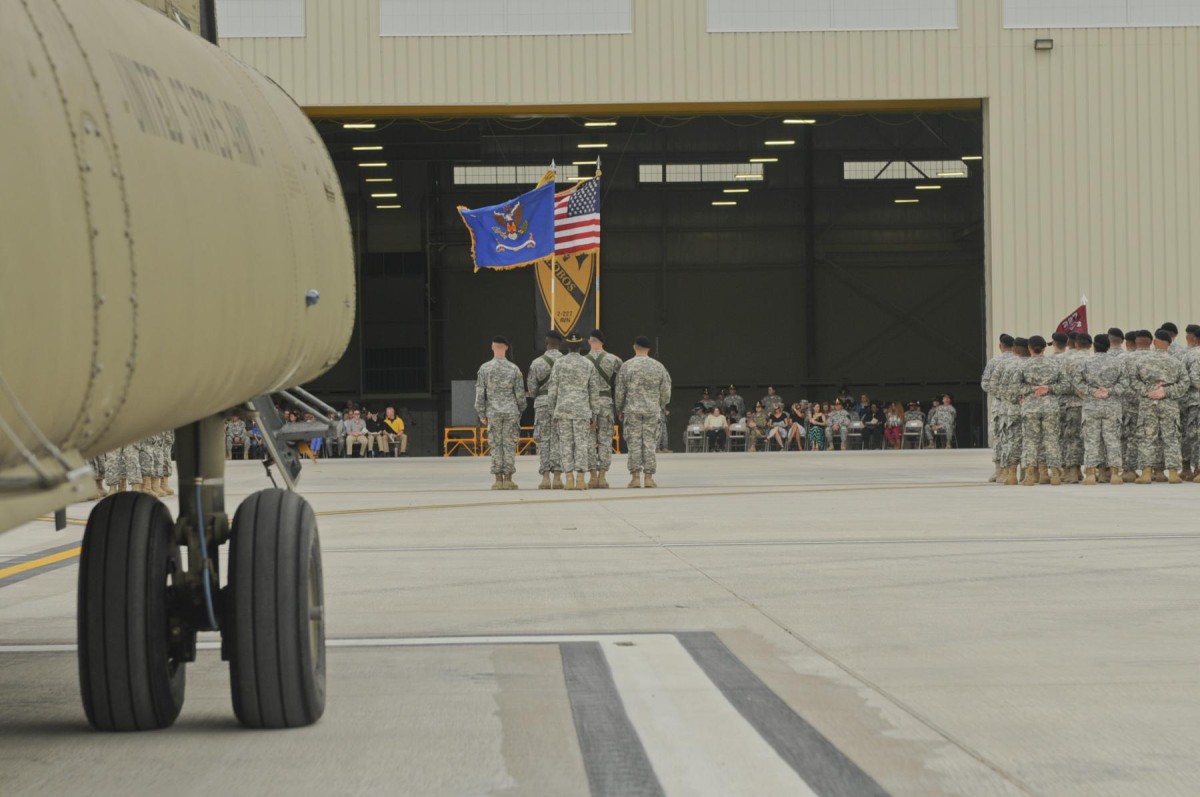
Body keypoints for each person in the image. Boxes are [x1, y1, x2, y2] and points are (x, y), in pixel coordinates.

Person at [1129, 329, 1188, 483]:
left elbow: (1133, 381)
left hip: (1148, 404)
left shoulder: (1142, 361)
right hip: (1169, 404)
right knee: (1171, 437)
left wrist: (1148, 392)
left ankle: (1147, 473)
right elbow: (1185, 383)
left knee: (1148, 437)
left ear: (1155, 342)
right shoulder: (1176, 362)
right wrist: (1166, 391)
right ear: (1169, 344)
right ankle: (1174, 473)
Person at [614, 336, 672, 487]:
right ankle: (648, 477)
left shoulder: (627, 366)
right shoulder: (658, 367)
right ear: (649, 349)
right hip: (652, 410)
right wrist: (661, 405)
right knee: (650, 443)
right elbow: (666, 391)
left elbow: (620, 391)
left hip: (632, 411)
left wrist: (619, 409)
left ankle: (634, 478)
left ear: (634, 347)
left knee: (634, 443)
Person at [547, 335, 601, 490]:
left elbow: (552, 390)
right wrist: (594, 414)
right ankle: (581, 479)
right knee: (582, 444)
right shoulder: (588, 364)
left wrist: (553, 411)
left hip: (563, 410)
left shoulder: (559, 363)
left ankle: (569, 478)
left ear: (567, 347)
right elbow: (593, 391)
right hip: (582, 411)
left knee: (565, 445)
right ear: (580, 347)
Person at [474, 335, 527, 490]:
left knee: (496, 445)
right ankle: (509, 479)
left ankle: (498, 480)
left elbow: (480, 393)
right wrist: (520, 410)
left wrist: (481, 413)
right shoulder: (514, 369)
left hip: (493, 412)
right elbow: (520, 395)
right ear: (506, 348)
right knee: (509, 444)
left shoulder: (484, 368)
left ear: (492, 347)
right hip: (511, 412)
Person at [1016, 335, 1067, 485]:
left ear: (1029, 348)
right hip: (1050, 406)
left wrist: (1032, 389)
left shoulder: (1022, 365)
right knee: (1051, 440)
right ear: (1045, 348)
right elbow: (1065, 385)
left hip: (1031, 406)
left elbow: (1015, 387)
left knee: (1030, 440)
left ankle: (1030, 474)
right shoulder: (1054, 364)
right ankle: (1055, 474)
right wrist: (1048, 388)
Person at [1076, 334, 1125, 484]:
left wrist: (1093, 391)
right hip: (1112, 405)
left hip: (1092, 405)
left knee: (1091, 440)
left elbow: (1077, 382)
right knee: (1112, 439)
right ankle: (1115, 474)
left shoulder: (1085, 362)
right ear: (1109, 346)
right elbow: (1125, 383)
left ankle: (1090, 474)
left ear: (1094, 346)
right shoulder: (1118, 362)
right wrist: (1109, 391)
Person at [585, 329, 623, 488]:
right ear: (603, 342)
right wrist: (620, 408)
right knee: (606, 441)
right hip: (606, 403)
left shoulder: (582, 360)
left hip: (587, 403)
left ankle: (592, 476)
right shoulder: (614, 359)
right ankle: (602, 476)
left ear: (589, 341)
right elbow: (621, 384)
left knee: (588, 440)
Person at [527, 330, 564, 489]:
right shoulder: (566, 361)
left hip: (542, 403)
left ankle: (545, 478)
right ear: (560, 343)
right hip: (562, 403)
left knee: (544, 440)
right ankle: (557, 477)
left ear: (546, 342)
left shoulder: (537, 362)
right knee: (560, 439)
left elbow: (532, 389)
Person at [981, 334, 1015, 480]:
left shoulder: (994, 361)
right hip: (1016, 404)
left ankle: (999, 470)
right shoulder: (1018, 361)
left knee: (999, 437)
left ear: (1000, 346)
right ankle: (1015, 471)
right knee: (1015, 437)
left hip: (1000, 405)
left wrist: (1001, 394)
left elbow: (985, 383)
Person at [1183, 324, 1200, 482]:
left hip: (1195, 401)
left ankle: (1197, 469)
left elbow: (1192, 378)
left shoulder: (1192, 355)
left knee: (1195, 436)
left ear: (1194, 339)